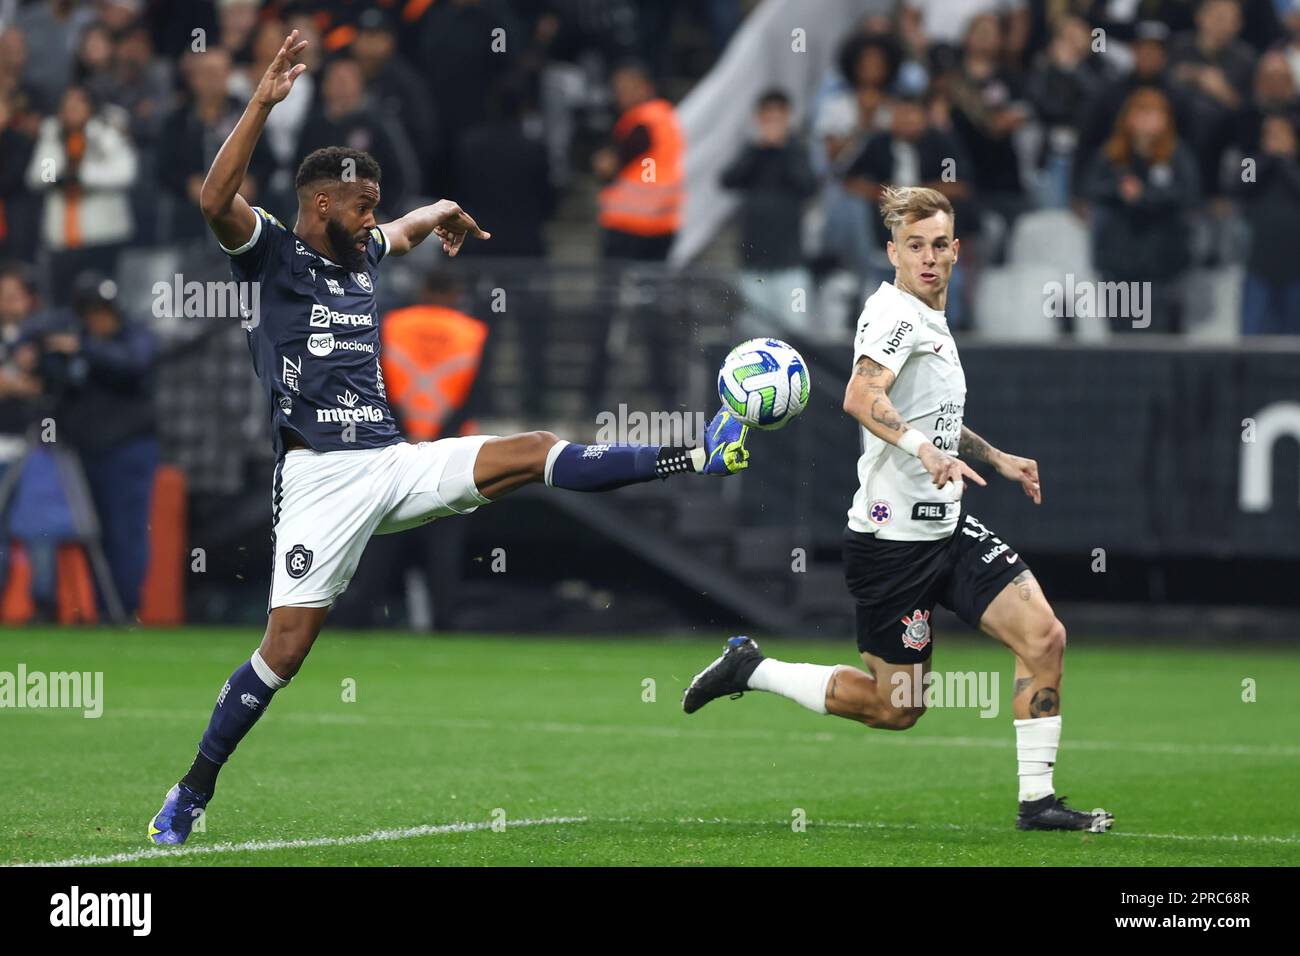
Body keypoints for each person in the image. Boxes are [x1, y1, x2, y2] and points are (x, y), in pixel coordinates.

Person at [148, 31, 754, 846]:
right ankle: (193, 789)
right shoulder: (274, 256)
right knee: (284, 652)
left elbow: (398, 230)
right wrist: (259, 103)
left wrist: (432, 214)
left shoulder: (359, 251)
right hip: (319, 479)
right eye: (361, 206)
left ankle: (699, 450)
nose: (372, 222)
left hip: (394, 462)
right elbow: (215, 201)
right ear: (320, 204)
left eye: (376, 209)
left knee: (533, 449)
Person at [682, 186, 1114, 834]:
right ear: (893, 252)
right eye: (915, 247)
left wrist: (994, 457)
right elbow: (860, 396)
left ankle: (1038, 802)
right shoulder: (896, 315)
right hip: (891, 546)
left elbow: (934, 421)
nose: (929, 258)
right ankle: (755, 668)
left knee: (1044, 637)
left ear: (957, 249)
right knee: (897, 708)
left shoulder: (932, 318)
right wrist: (921, 450)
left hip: (949, 526)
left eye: (940, 245)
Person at [1083, 87, 1200, 334]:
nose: (1147, 120)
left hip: (1161, 266)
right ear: (1128, 118)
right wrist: (1120, 190)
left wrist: (1142, 196)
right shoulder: (1112, 154)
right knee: (1121, 335)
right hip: (1118, 262)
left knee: (1157, 334)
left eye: (1154, 113)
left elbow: (1187, 194)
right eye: (1141, 113)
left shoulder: (1177, 155)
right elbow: (1092, 187)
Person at [720, 89, 817, 338]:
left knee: (795, 331)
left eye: (779, 117)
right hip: (754, 262)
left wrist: (784, 148)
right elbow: (728, 180)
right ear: (758, 118)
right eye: (768, 117)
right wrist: (758, 149)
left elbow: (808, 185)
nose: (773, 124)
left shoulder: (797, 150)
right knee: (755, 334)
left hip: (789, 261)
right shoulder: (752, 151)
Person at [594, 61, 684, 262]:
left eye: (626, 88)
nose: (620, 95)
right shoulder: (665, 116)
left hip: (629, 222)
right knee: (654, 288)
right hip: (662, 220)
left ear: (645, 87)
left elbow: (610, 164)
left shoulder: (640, 121)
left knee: (610, 288)